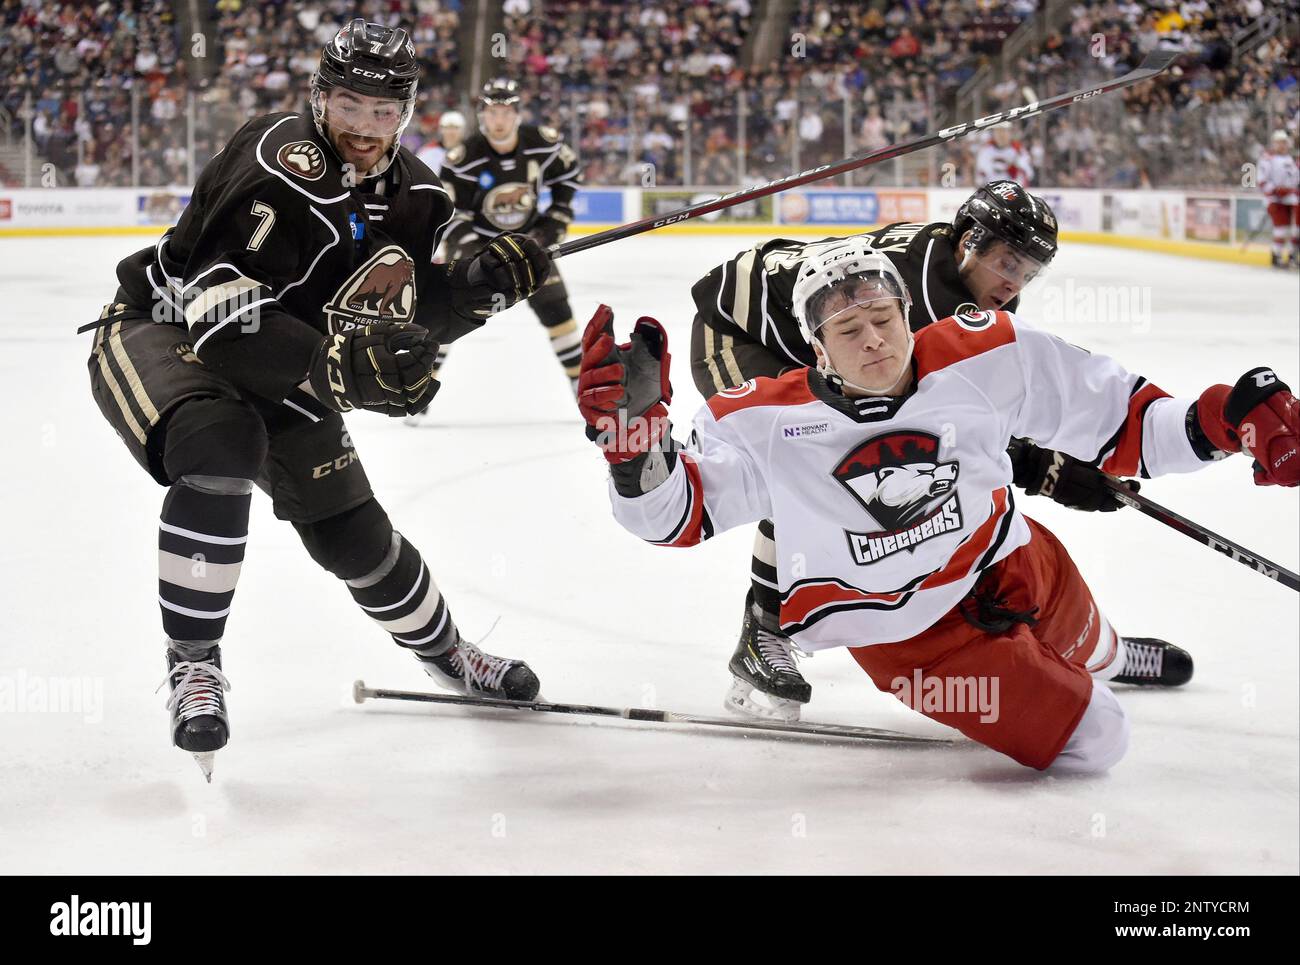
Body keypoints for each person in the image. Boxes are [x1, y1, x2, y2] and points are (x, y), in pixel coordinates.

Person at [575, 243, 1298, 773]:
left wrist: (1225, 422)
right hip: (913, 641)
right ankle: (1068, 675)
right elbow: (675, 517)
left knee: (1095, 645)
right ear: (816, 348)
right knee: (1103, 735)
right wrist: (633, 450)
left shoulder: (986, 352)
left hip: (1008, 555)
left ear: (904, 312)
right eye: (849, 331)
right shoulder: (765, 419)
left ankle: (1101, 655)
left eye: (884, 318)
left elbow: (1129, 424)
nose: (875, 340)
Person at [83, 20, 551, 780]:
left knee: (352, 533)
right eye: (350, 106)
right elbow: (219, 322)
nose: (366, 129)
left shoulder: (420, 195)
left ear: (405, 111)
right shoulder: (276, 162)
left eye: (383, 111)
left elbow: (406, 318)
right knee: (220, 441)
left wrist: (478, 291)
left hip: (286, 363)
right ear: (319, 98)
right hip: (165, 332)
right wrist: (338, 367)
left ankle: (447, 651)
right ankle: (195, 663)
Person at [690, 181, 1152, 720]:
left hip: (821, 341)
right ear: (968, 241)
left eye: (1028, 271)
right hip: (739, 337)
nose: (1014, 283)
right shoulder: (926, 299)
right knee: (800, 463)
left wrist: (1063, 463)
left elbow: (989, 406)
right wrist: (1051, 471)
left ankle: (1076, 641)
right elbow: (960, 426)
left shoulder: (953, 277)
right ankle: (763, 632)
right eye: (1007, 262)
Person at [430, 77, 585, 395]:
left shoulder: (542, 142)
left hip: (529, 245)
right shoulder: (463, 156)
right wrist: (471, 249)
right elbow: (449, 210)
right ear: (482, 116)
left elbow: (569, 174)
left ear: (517, 114)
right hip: (480, 249)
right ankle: (422, 382)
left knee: (559, 312)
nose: (498, 120)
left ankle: (582, 386)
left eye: (505, 112)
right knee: (448, 316)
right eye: (492, 112)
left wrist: (556, 218)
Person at [1258, 129, 1298, 269]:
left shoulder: (1290, 159)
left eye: (1284, 142)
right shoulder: (1267, 158)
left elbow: (1295, 178)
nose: (1282, 145)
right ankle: (1276, 255)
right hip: (1275, 199)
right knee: (1281, 229)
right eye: (1279, 142)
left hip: (1289, 197)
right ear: (1274, 143)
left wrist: (1291, 189)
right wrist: (1275, 190)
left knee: (1291, 229)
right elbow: (1262, 180)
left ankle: (1288, 255)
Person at [416, 109, 465, 176]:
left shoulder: (468, 152)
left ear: (462, 130)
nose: (451, 132)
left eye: (455, 128)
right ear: (441, 129)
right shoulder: (428, 151)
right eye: (447, 127)